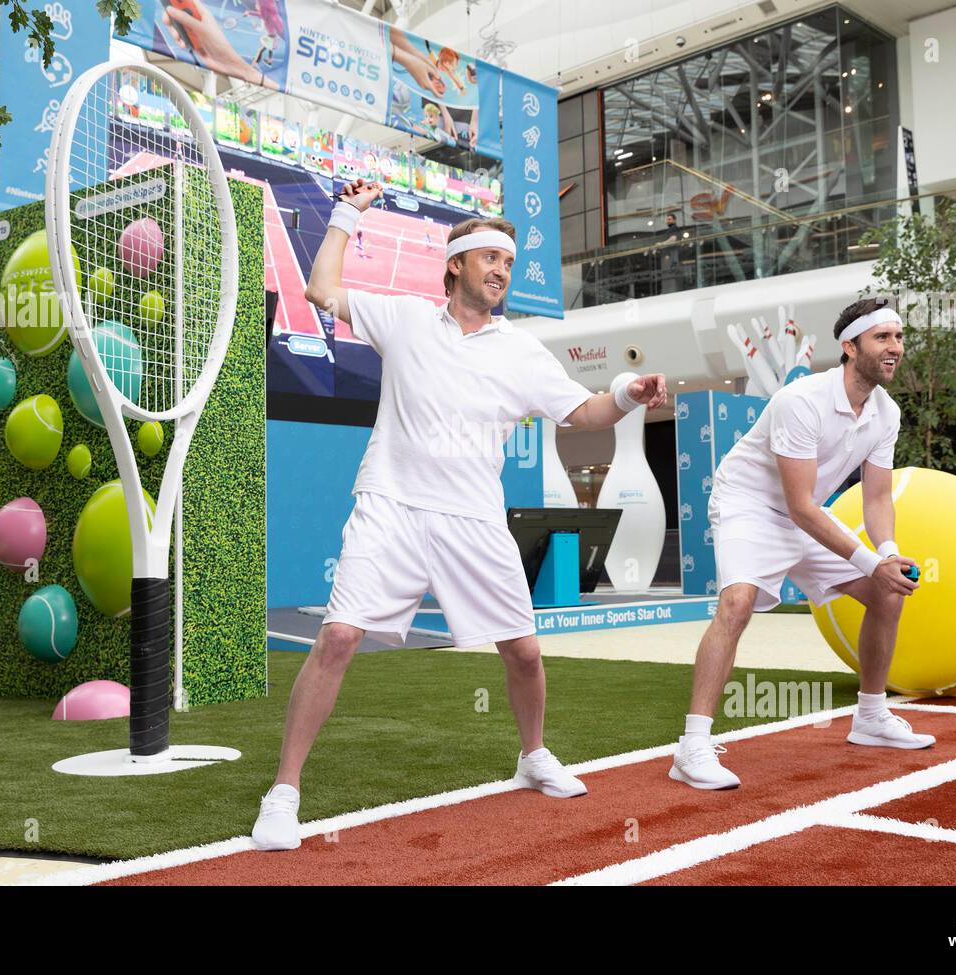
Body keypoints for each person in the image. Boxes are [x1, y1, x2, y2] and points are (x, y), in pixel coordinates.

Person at [253, 177, 668, 850]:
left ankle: (532, 755)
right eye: (489, 259)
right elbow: (321, 290)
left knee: (525, 653)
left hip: (473, 518)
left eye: (508, 262)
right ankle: (284, 790)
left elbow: (582, 411)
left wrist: (625, 390)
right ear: (456, 266)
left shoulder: (521, 351)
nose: (502, 270)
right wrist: (345, 213)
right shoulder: (407, 319)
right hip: (390, 503)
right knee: (336, 638)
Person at [672, 296, 933, 791]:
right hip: (750, 504)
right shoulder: (801, 401)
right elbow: (799, 506)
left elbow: (877, 498)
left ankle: (871, 718)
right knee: (737, 603)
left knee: (886, 591)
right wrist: (866, 559)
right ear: (850, 347)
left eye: (899, 337)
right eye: (882, 337)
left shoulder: (886, 412)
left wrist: (889, 553)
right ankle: (692, 746)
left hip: (806, 512)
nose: (895, 346)